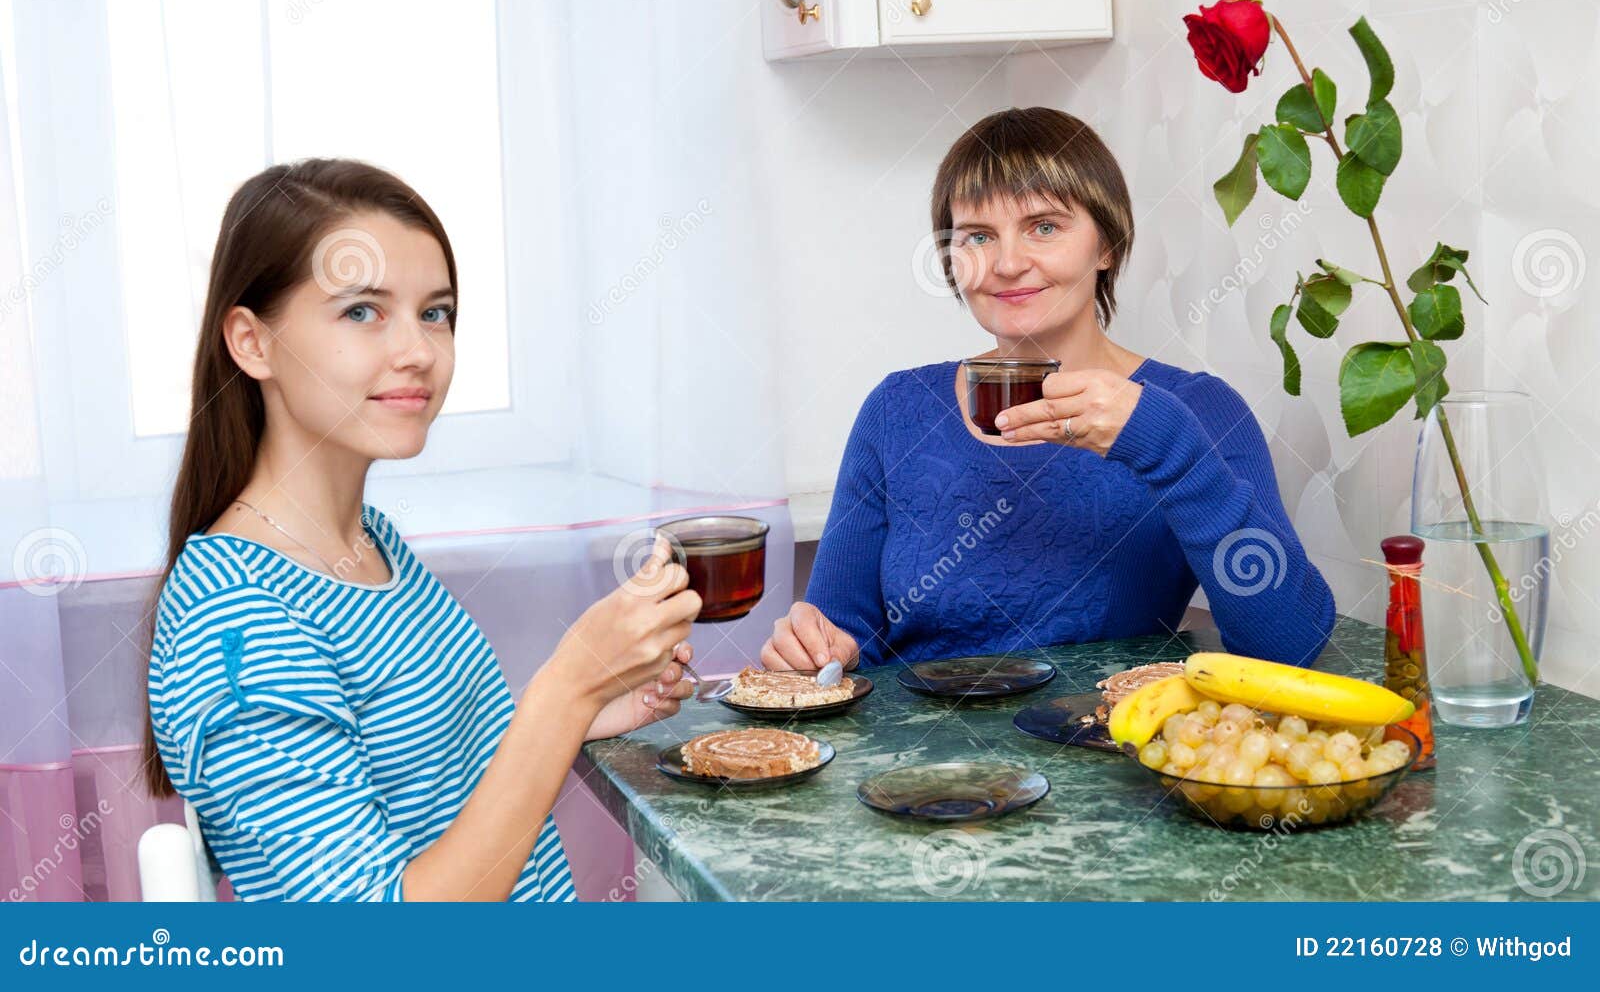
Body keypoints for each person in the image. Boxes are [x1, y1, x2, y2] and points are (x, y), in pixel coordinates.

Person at [142, 159, 700, 901]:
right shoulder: (238, 617)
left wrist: (595, 704)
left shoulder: (369, 543)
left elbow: (430, 768)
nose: (418, 351)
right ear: (252, 343)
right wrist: (565, 687)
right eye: (362, 312)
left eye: (434, 313)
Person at [761, 108, 1335, 674]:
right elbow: (842, 636)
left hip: (1102, 750)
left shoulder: (1198, 412)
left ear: (1106, 245)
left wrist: (1167, 446)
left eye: (1044, 227)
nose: (1008, 263)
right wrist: (813, 650)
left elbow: (1290, 646)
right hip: (924, 763)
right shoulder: (897, 409)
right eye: (979, 236)